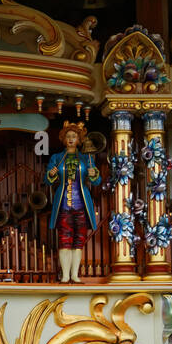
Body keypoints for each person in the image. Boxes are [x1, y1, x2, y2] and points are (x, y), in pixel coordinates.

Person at [46, 120, 101, 283]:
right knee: (64, 239)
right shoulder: (57, 158)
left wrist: (93, 174)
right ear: (64, 139)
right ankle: (65, 276)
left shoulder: (86, 158)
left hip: (81, 205)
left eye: (74, 136)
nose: (71, 139)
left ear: (79, 139)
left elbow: (97, 181)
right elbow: (48, 181)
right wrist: (52, 174)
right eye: (68, 136)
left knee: (78, 241)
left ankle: (75, 275)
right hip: (63, 204)